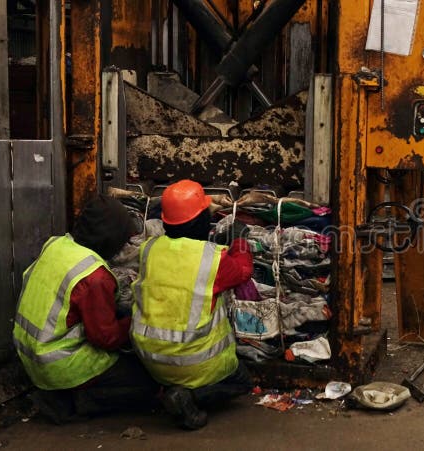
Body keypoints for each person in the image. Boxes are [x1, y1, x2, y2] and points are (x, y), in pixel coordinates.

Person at [13, 195, 158, 424]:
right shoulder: (94, 275)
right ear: (110, 238)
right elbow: (106, 338)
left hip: (31, 356)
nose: (123, 246)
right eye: (122, 240)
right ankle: (76, 402)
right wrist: (137, 320)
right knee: (150, 379)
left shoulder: (55, 244)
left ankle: (59, 393)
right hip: (60, 364)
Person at [131, 180, 254, 430]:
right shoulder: (213, 259)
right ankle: (188, 398)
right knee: (242, 380)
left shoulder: (149, 249)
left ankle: (167, 389)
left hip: (149, 359)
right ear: (200, 222)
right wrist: (239, 242)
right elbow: (243, 271)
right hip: (196, 363)